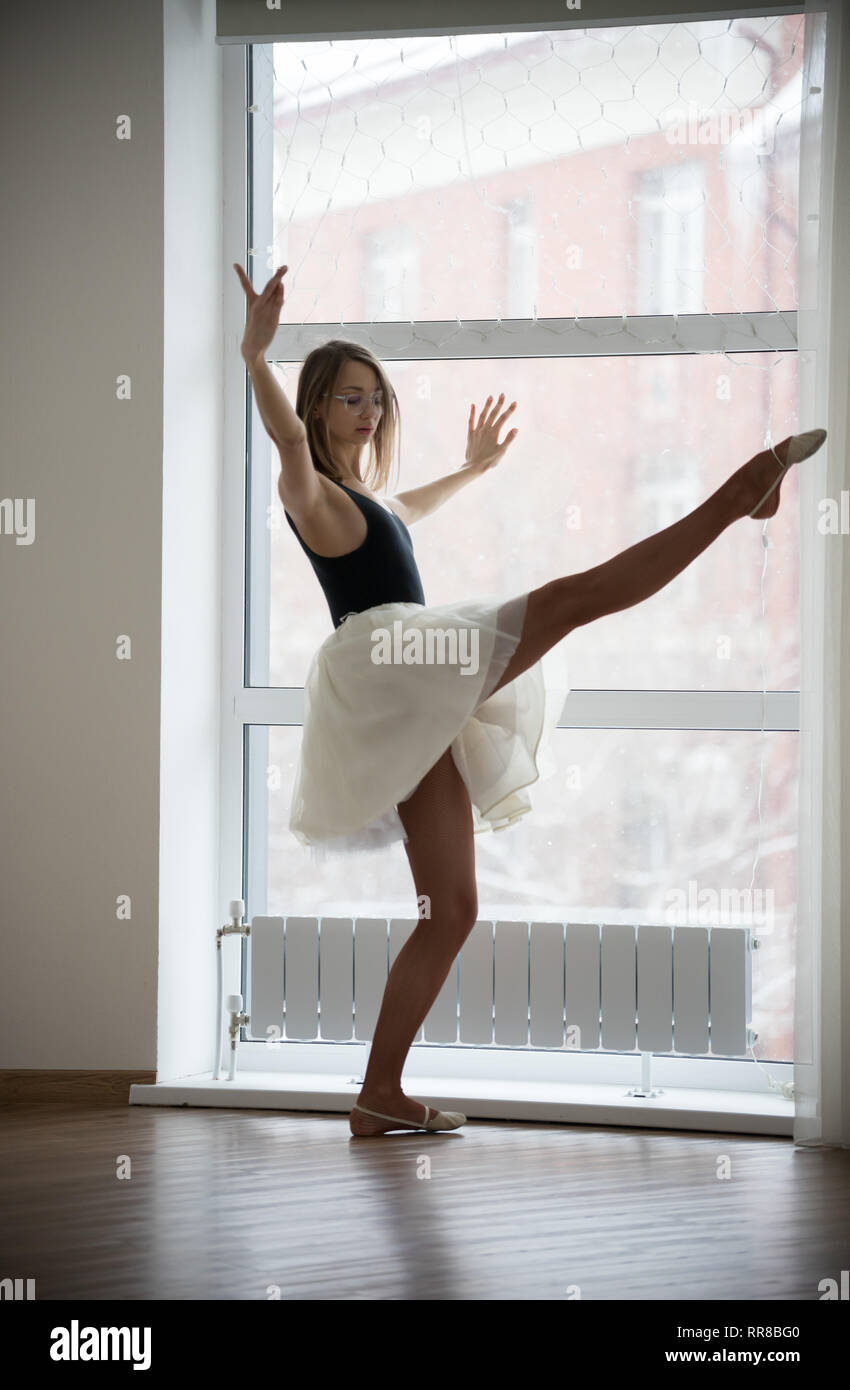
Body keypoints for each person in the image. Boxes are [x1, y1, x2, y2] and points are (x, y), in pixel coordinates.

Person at [235, 262, 827, 1138]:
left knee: (454, 907)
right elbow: (286, 447)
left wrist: (471, 471)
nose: (367, 410)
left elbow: (406, 513)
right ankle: (740, 494)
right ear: (318, 405)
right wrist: (256, 357)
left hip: (403, 688)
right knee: (568, 599)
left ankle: (376, 1095)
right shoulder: (309, 491)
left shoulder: (367, 500)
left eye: (375, 398)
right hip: (393, 658)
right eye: (349, 398)